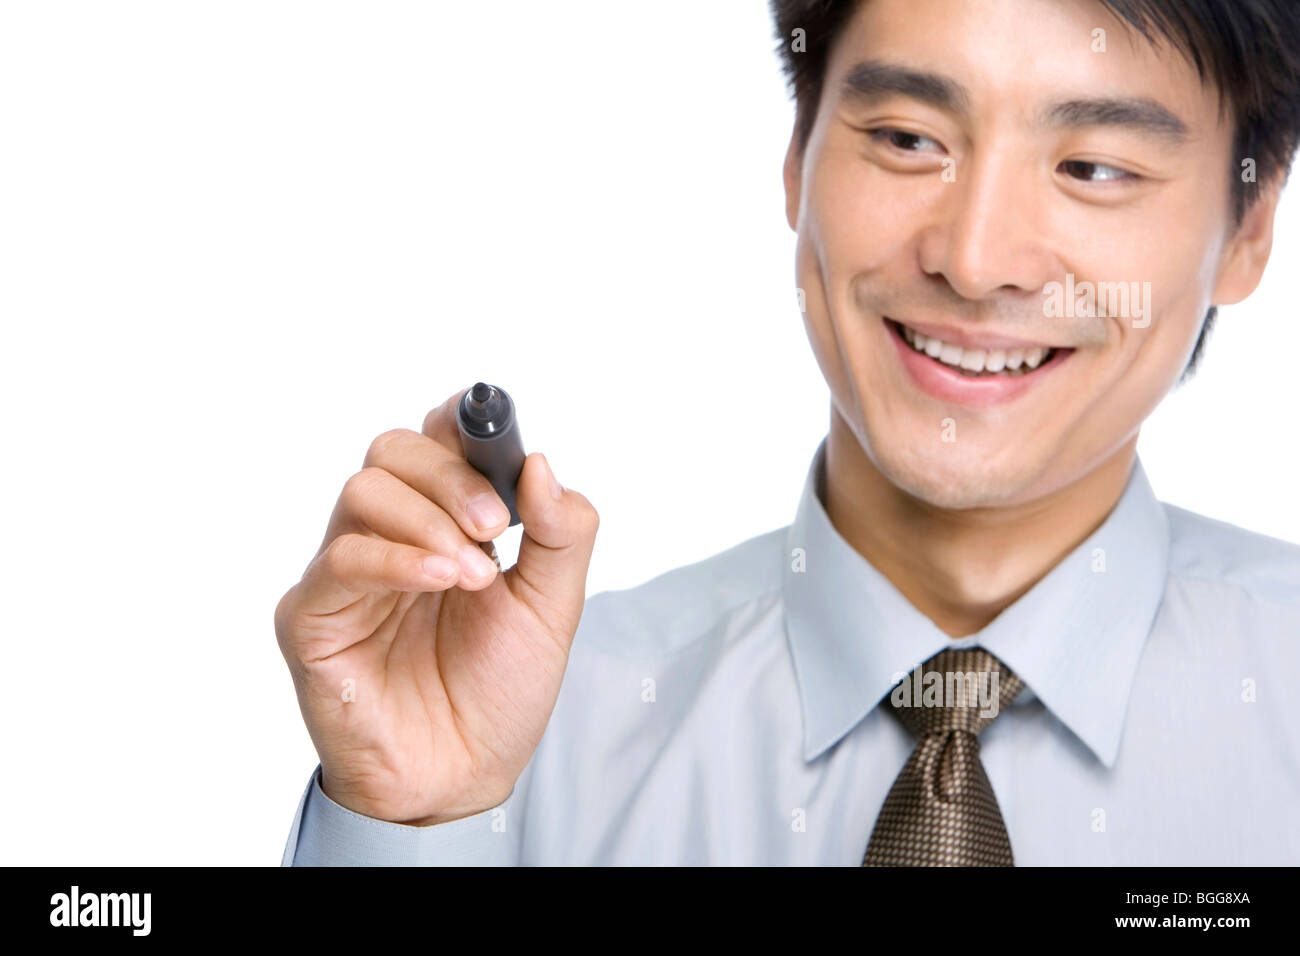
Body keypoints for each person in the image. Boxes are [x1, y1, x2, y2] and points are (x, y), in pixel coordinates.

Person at [275, 0, 1300, 865]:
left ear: (1247, 229)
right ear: (797, 157)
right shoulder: (533, 731)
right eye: (907, 139)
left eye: (1092, 166)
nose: (977, 257)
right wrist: (406, 821)